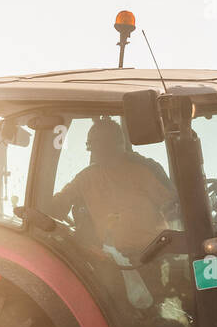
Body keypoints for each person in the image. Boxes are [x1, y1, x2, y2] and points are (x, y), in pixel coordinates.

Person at [48, 118, 180, 313]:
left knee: (161, 313)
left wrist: (176, 250)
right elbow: (58, 205)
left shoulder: (143, 171)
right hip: (112, 262)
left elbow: (173, 208)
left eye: (103, 146)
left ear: (120, 144)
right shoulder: (86, 178)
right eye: (94, 147)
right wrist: (38, 204)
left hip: (153, 257)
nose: (98, 153)